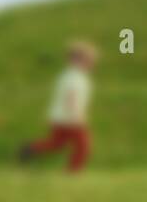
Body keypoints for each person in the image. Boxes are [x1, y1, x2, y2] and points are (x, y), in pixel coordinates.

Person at [19, 40, 97, 172]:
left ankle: (30, 148)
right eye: (88, 60)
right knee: (84, 146)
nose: (91, 64)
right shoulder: (75, 76)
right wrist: (77, 115)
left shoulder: (69, 75)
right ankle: (73, 172)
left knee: (56, 144)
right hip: (71, 118)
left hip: (60, 117)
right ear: (75, 60)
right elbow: (71, 96)